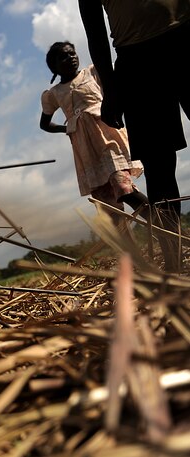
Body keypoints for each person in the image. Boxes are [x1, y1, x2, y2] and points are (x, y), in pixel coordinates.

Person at [79, 0, 189, 271]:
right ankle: (174, 267)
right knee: (159, 168)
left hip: (185, 37)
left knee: (159, 169)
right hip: (137, 61)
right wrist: (110, 88)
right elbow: (95, 31)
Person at [39, 41, 149, 231]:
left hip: (109, 138)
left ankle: (166, 225)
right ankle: (130, 256)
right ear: (54, 67)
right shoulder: (54, 94)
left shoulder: (93, 73)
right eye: (64, 56)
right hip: (86, 151)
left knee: (123, 188)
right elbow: (45, 124)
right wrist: (67, 129)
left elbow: (115, 91)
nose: (71, 58)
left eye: (72, 53)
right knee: (108, 206)